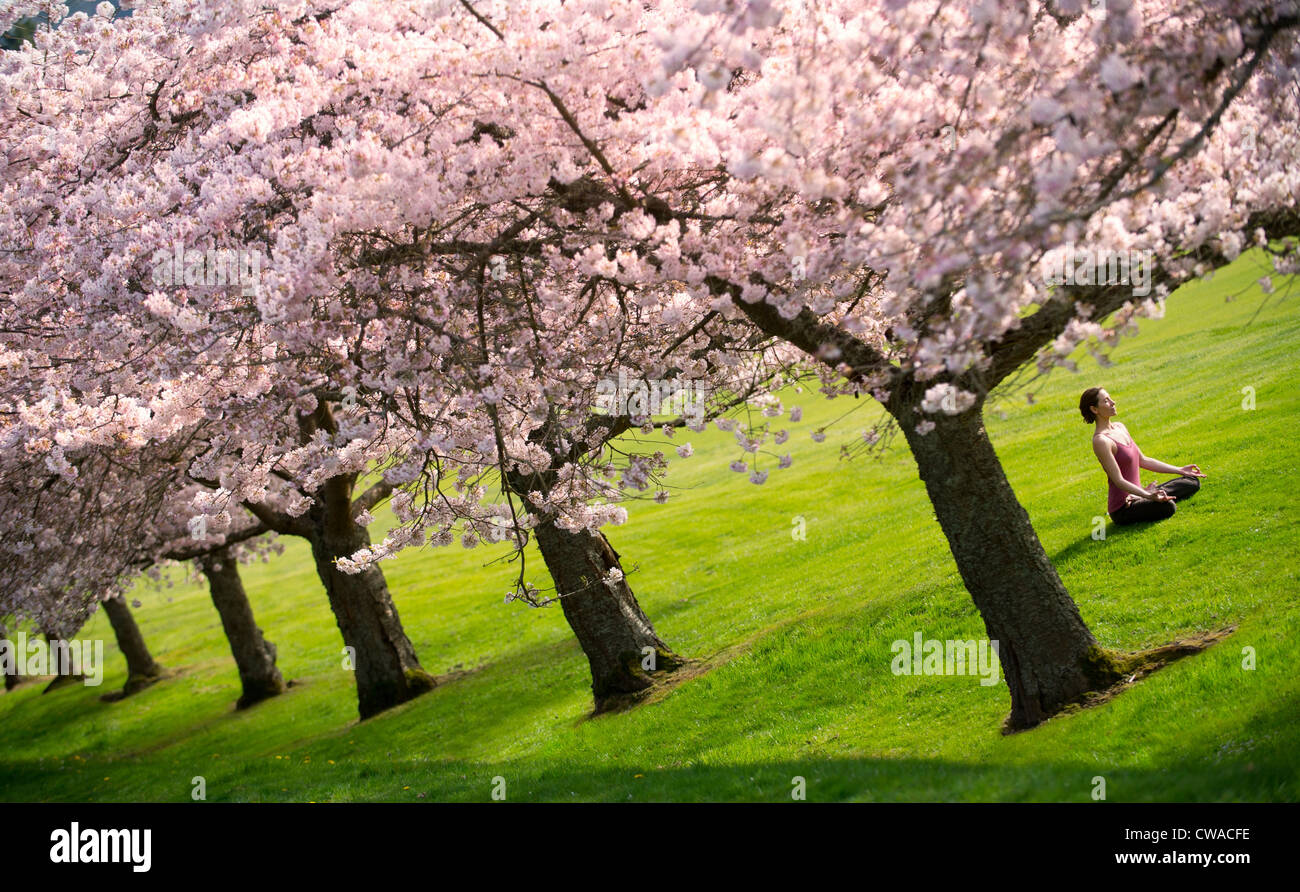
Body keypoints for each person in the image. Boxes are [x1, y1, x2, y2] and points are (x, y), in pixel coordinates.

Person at [1080, 386, 1207, 525]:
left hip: (1139, 495)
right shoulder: (1101, 441)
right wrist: (1147, 495)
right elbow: (1118, 480)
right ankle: (1152, 498)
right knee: (1168, 507)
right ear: (1094, 409)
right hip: (1124, 508)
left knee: (1191, 481)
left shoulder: (1119, 427)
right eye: (1106, 401)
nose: (1113, 402)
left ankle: (1151, 497)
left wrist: (1180, 469)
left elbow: (1143, 460)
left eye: (1110, 398)